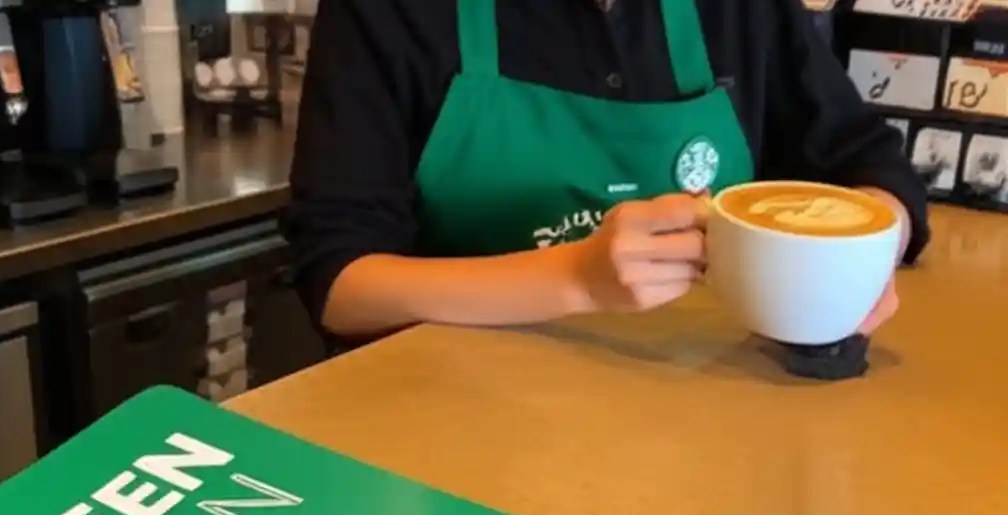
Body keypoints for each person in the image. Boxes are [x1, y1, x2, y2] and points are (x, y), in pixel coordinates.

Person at [284, 0, 927, 341]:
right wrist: (575, 279)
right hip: (455, 438)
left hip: (701, 421)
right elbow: (340, 284)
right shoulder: (389, 11)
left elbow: (868, 164)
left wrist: (862, 261)